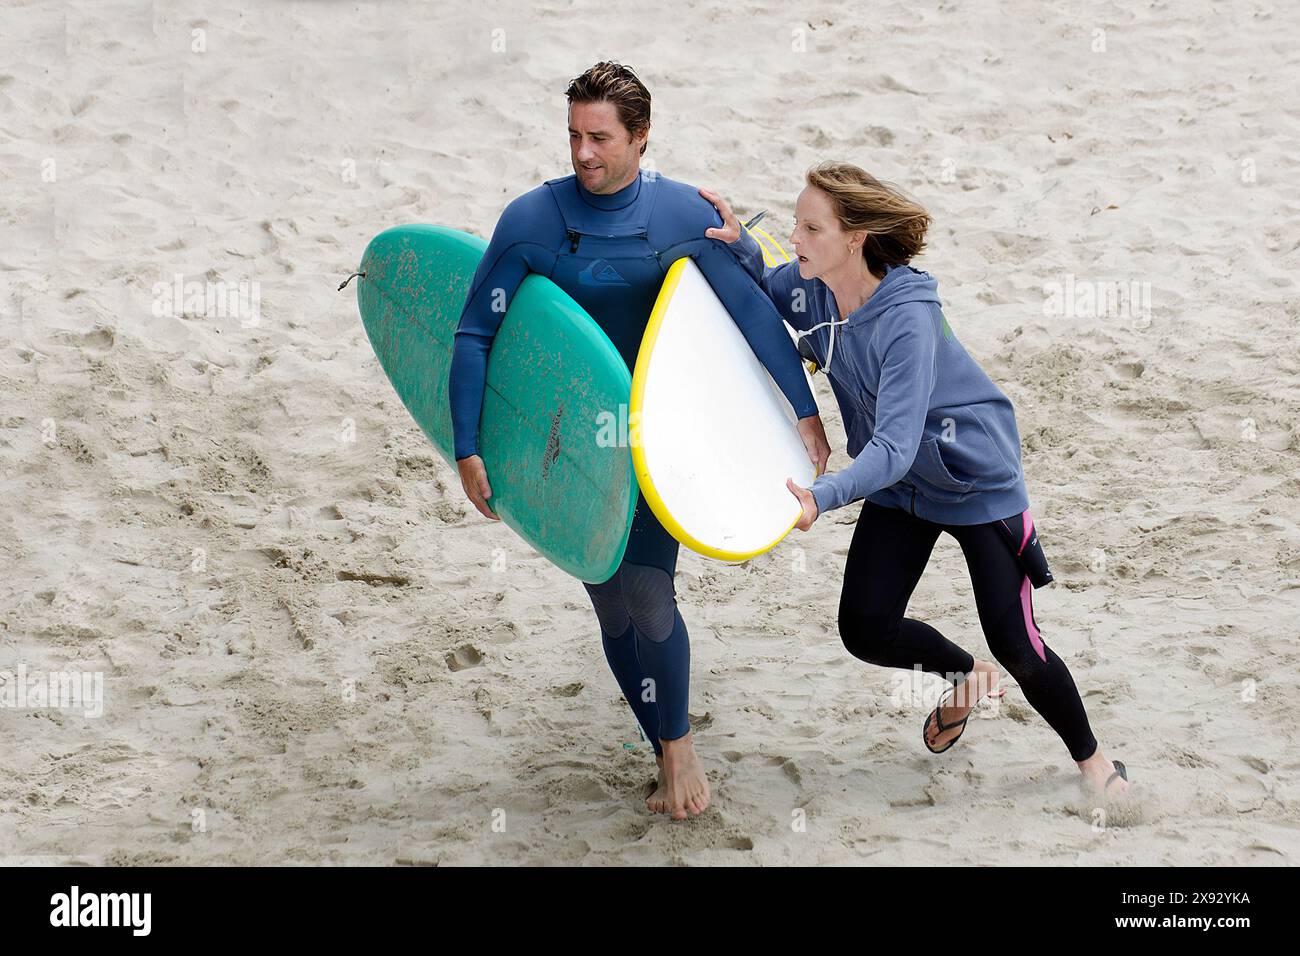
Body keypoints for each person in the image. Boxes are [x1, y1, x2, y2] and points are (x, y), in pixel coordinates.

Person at [448, 62, 832, 820]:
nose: (583, 153)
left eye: (600, 137)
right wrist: (469, 445)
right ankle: (659, 739)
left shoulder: (684, 216)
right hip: (571, 441)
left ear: (640, 136)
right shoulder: (531, 220)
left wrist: (804, 413)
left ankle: (679, 748)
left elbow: (752, 315)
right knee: (609, 601)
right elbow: (473, 332)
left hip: (661, 440)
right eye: (573, 136)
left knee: (651, 597)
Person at [700, 163, 1130, 798]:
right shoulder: (814, 287)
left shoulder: (907, 317)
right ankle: (967, 676)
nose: (794, 238)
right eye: (794, 223)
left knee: (1016, 640)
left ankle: (1095, 764)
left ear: (857, 237)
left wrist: (823, 496)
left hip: (972, 481)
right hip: (903, 490)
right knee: (866, 628)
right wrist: (739, 244)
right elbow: (767, 290)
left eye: (810, 228)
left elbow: (895, 446)